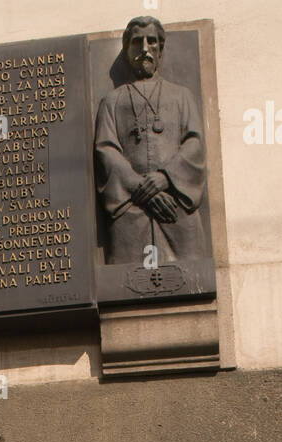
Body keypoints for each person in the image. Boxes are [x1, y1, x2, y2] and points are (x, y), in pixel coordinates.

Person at [94, 16, 207, 265]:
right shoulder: (111, 102)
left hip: (175, 204)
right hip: (130, 210)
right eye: (137, 42)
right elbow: (106, 151)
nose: (145, 48)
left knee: (190, 274)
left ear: (160, 49)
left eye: (152, 42)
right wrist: (140, 188)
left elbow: (194, 145)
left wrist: (166, 178)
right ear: (127, 49)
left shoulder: (181, 96)